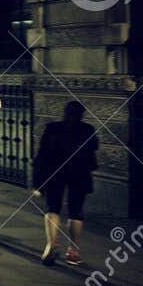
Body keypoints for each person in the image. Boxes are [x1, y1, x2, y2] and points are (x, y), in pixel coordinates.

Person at [33, 100, 99, 266]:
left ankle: (51, 245)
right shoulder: (87, 130)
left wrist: (38, 180)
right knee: (76, 212)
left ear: (64, 112)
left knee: (52, 209)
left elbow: (42, 154)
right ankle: (73, 251)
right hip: (80, 173)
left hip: (55, 173)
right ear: (81, 115)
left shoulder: (53, 128)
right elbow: (93, 150)